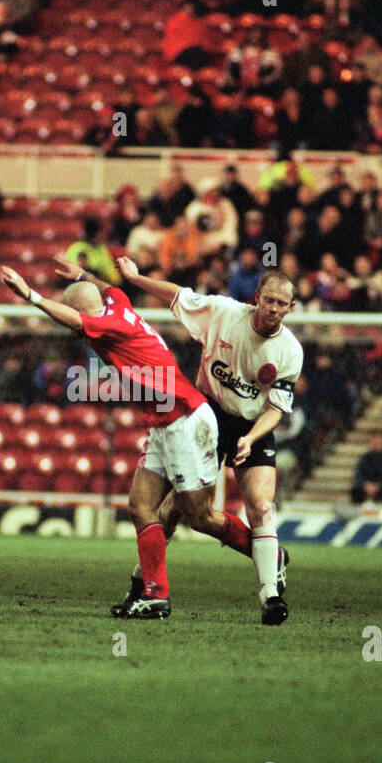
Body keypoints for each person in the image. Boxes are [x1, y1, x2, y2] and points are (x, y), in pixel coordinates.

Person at [0, 260, 288, 626]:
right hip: (164, 421)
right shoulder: (117, 302)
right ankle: (155, 595)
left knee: (198, 515)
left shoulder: (109, 324)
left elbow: (74, 320)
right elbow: (107, 289)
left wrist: (30, 295)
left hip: (186, 419)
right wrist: (84, 276)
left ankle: (267, 554)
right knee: (140, 505)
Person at [101, 255, 303, 618]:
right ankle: (145, 585)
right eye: (268, 299)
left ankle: (270, 596)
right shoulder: (223, 312)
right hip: (206, 416)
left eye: (281, 303)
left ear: (291, 307)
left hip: (251, 427)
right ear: (257, 296)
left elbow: (276, 408)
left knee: (260, 505)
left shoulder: (290, 352)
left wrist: (251, 438)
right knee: (177, 509)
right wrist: (136, 277)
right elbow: (178, 295)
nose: (273, 308)